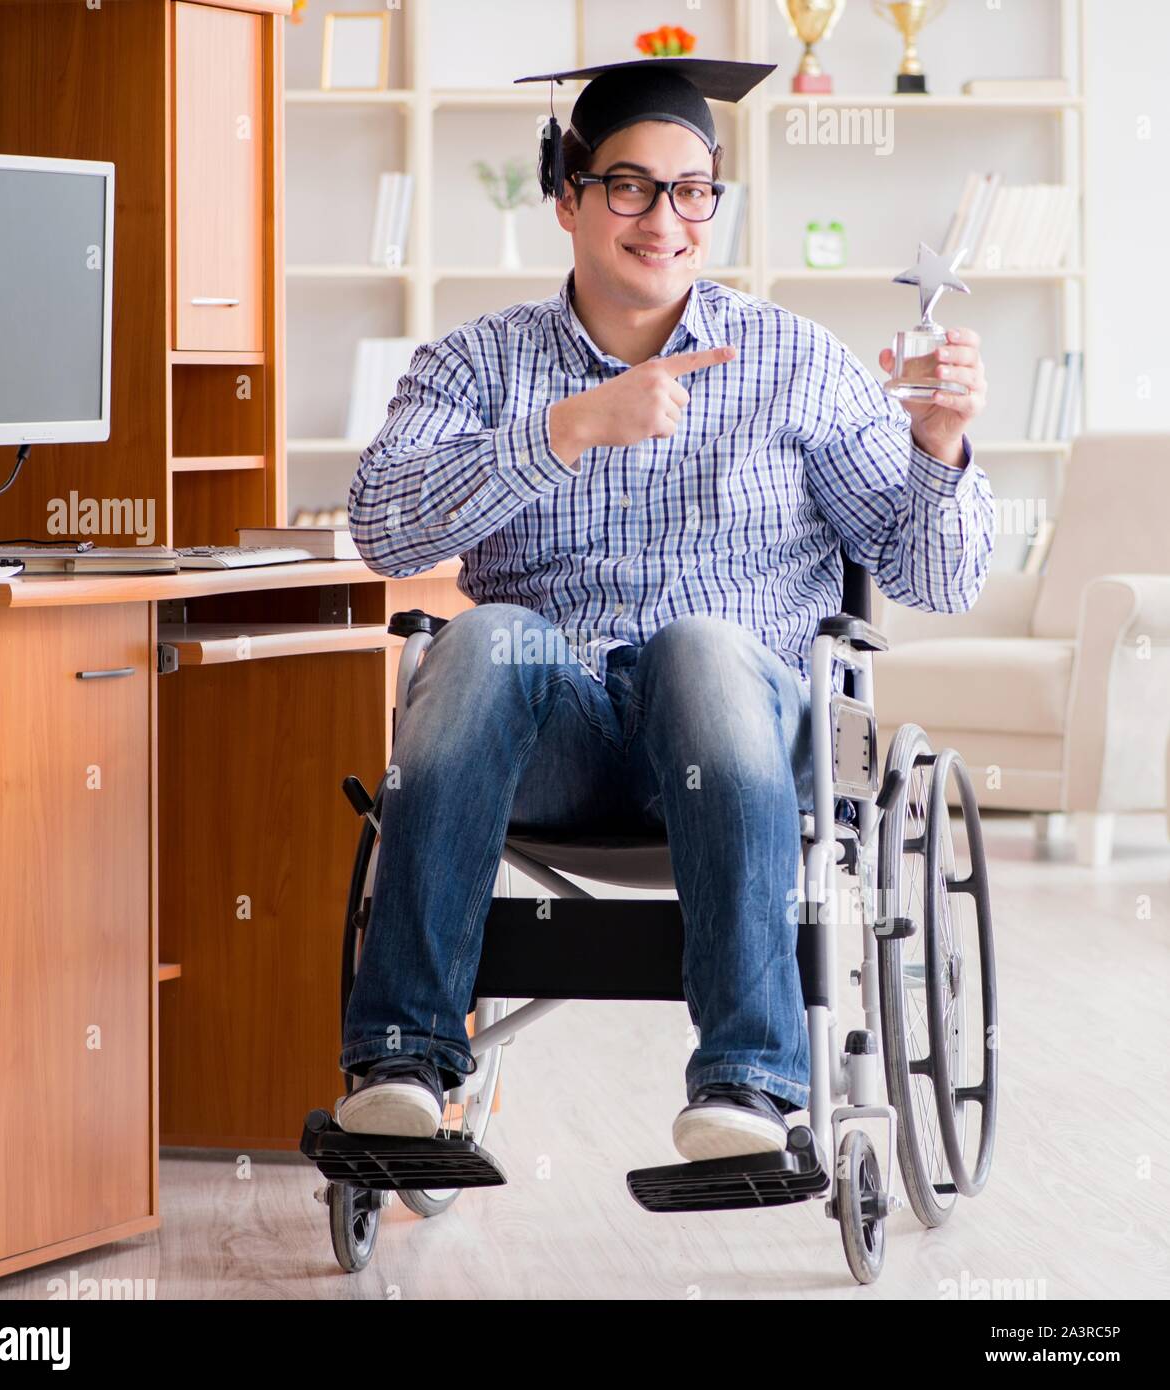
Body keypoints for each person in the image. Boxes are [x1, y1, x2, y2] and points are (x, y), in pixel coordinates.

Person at [336, 58, 993, 1161]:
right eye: (631, 186)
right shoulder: (476, 364)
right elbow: (385, 529)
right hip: (555, 746)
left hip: (740, 732)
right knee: (487, 636)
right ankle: (402, 1058)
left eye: (693, 191)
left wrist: (938, 448)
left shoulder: (796, 363)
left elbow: (939, 579)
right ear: (569, 196)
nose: (666, 218)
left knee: (699, 647)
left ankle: (747, 1082)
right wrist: (566, 430)